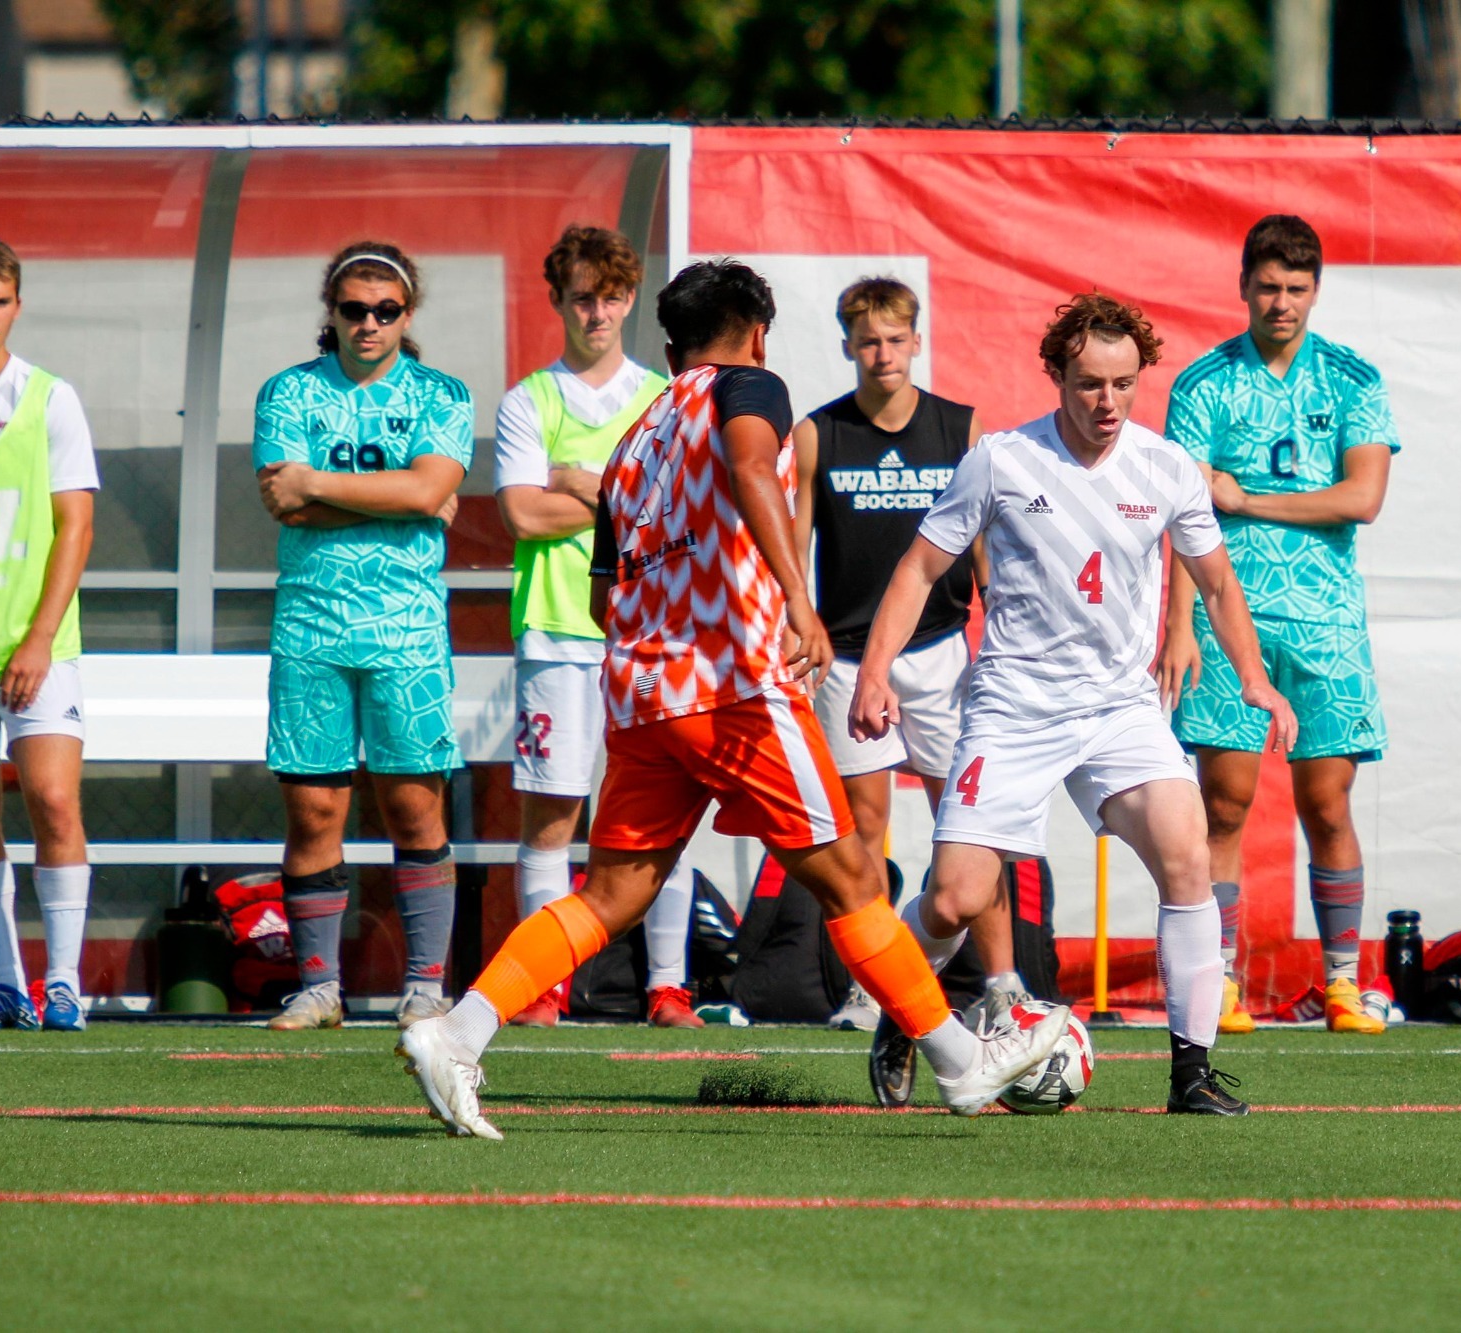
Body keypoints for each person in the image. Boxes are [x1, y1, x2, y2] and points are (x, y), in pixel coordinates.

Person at [397, 260, 1067, 1138]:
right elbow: (752, 464)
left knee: (609, 895)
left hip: (643, 691)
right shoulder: (751, 383)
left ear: (670, 347)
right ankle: (957, 1060)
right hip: (736, 688)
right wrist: (795, 596)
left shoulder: (635, 439)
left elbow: (605, 596)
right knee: (854, 875)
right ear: (758, 332)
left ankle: (458, 1029)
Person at [850, 292, 1296, 1116]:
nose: (1108, 403)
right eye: (1091, 383)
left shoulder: (1166, 469)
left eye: (1125, 384)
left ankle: (1191, 1073)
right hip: (1015, 706)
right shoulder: (1001, 460)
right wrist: (876, 671)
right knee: (950, 897)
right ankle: (900, 1007)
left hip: (1119, 711)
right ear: (1056, 374)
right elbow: (917, 569)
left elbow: (1220, 584)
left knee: (1187, 852)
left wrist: (1255, 676)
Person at [1158, 214, 1398, 1037]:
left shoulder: (1353, 379)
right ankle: (1218, 981)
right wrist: (1179, 626)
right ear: (1243, 286)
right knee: (1222, 804)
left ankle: (1341, 982)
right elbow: (1181, 516)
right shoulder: (1201, 384)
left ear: (1317, 290)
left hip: (1326, 619)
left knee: (1327, 803)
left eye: (1297, 288)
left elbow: (1362, 496)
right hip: (1230, 619)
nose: (1282, 302)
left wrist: (1248, 498)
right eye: (1268, 286)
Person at [791, 277, 1025, 1071]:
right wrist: (805, 624)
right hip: (852, 657)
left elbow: (991, 542)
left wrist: (1002, 625)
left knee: (972, 825)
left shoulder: (959, 426)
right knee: (862, 835)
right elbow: (795, 545)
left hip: (942, 651)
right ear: (848, 344)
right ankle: (874, 986)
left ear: (917, 340)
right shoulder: (819, 432)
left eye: (896, 338)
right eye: (867, 339)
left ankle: (1001, 983)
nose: (883, 352)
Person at [253, 241, 473, 1032]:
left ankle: (424, 985)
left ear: (407, 314)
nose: (369, 323)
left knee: (415, 809)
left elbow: (429, 486)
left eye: (385, 310)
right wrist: (404, 498)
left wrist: (324, 480)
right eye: (354, 309)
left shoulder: (442, 394)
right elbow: (285, 503)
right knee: (313, 811)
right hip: (311, 624)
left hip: (409, 632)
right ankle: (318, 988)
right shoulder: (286, 393)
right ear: (332, 313)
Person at [493, 224, 699, 1030]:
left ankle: (669, 987)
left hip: (652, 636)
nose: (598, 312)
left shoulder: (661, 395)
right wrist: (619, 490)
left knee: (666, 817)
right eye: (583, 296)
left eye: (612, 296)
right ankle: (544, 989)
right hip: (555, 629)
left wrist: (581, 480)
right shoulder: (529, 398)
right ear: (558, 301)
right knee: (554, 815)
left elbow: (675, 509)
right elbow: (520, 511)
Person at [0, 235, 98, 1032]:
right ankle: (2, 982)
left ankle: (63, 984)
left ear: (17, 306)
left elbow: (75, 526)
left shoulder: (49, 397)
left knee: (54, 801)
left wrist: (38, 636)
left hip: (37, 644)